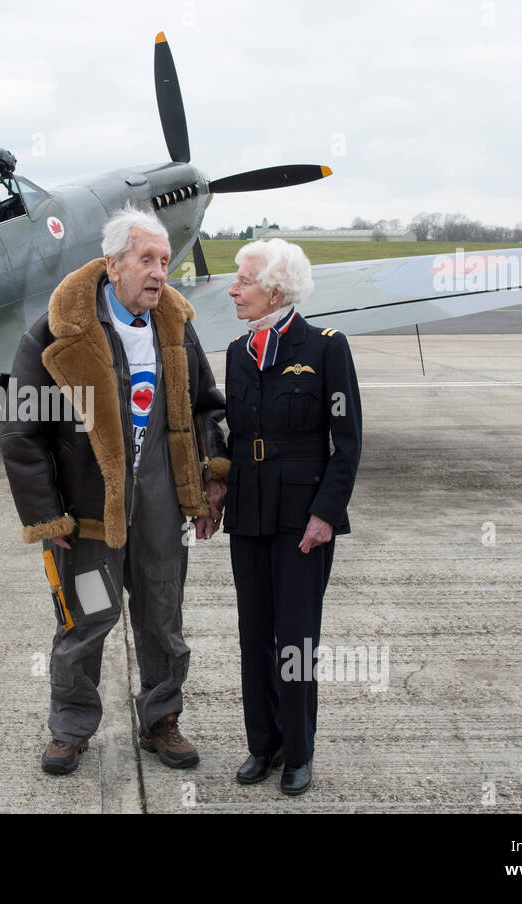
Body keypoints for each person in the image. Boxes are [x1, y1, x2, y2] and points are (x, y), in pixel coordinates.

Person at [1, 207, 229, 775]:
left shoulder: (174, 325)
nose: (159, 273)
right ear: (113, 265)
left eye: (164, 261)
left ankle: (162, 719)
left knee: (161, 618)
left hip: (160, 509)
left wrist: (211, 478)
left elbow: (205, 406)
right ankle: (70, 727)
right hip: (89, 516)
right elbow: (21, 436)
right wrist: (49, 519)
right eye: (146, 260)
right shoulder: (56, 333)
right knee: (85, 620)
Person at [219, 238, 362, 795]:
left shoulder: (326, 347)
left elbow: (346, 443)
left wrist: (327, 513)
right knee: (254, 633)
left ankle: (300, 750)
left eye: (244, 281)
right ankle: (265, 743)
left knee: (295, 638)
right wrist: (215, 487)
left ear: (275, 289)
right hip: (249, 508)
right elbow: (235, 432)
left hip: (303, 516)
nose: (233, 289)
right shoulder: (237, 350)